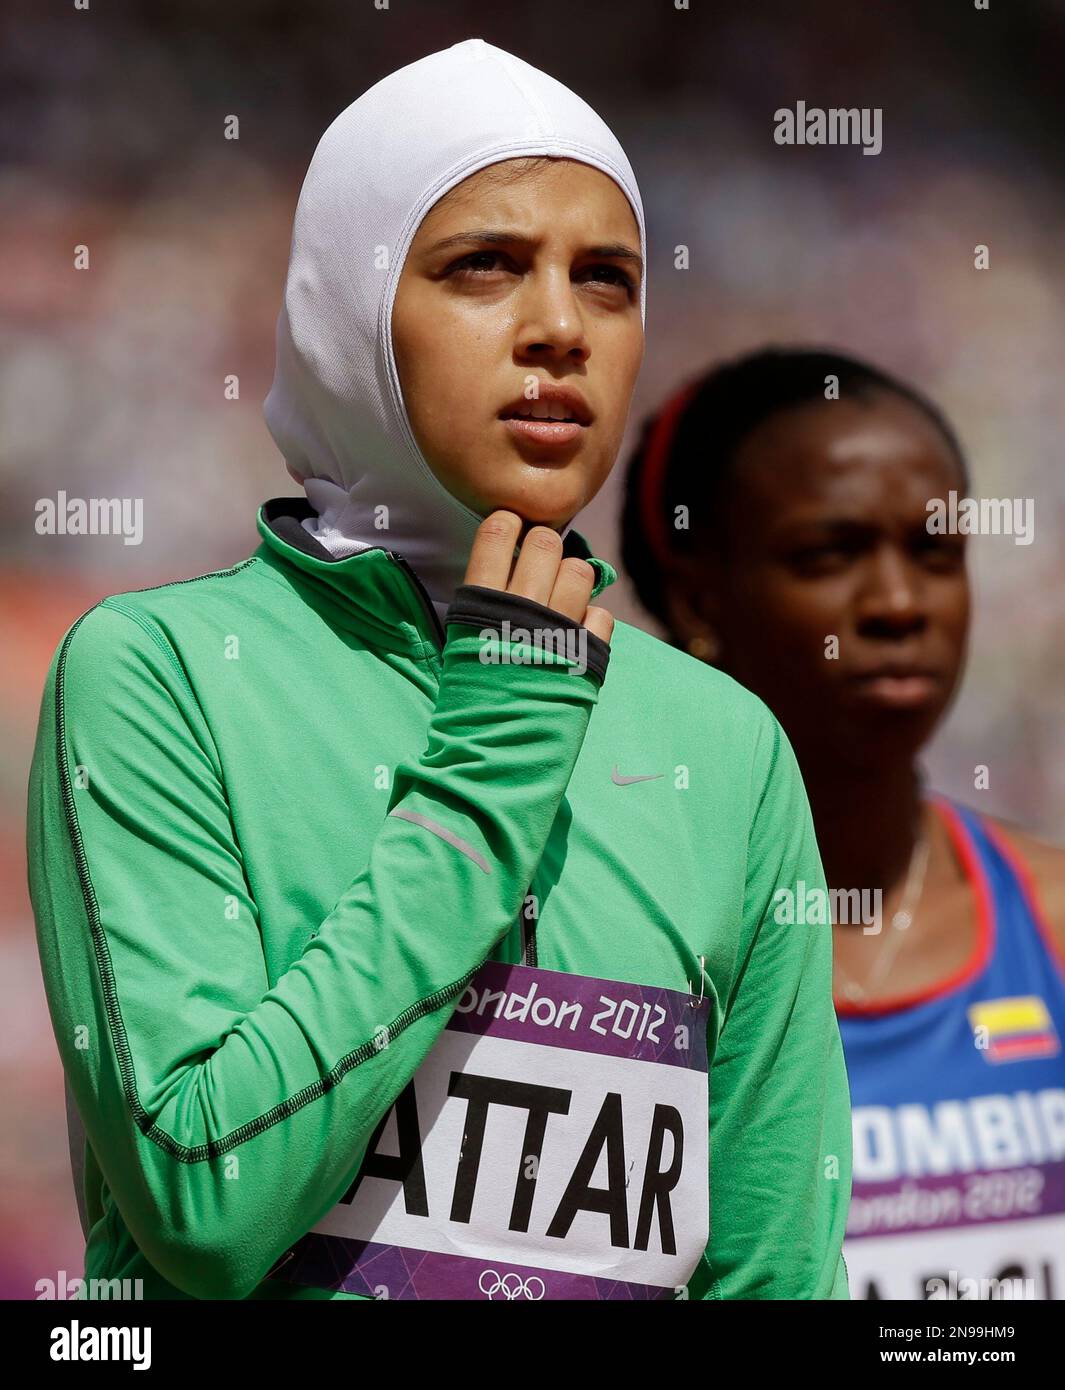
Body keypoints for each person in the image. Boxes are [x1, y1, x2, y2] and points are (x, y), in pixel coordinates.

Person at [27, 42, 850, 1301]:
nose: (561, 329)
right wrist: (494, 759)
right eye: (485, 266)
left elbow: (774, 1270)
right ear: (346, 308)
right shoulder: (158, 675)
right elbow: (206, 1201)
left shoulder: (726, 747)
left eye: (610, 282)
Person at [621, 345, 1065, 1300]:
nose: (900, 604)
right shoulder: (608, 941)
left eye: (936, 552)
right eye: (829, 555)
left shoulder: (1052, 921)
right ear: (699, 594)